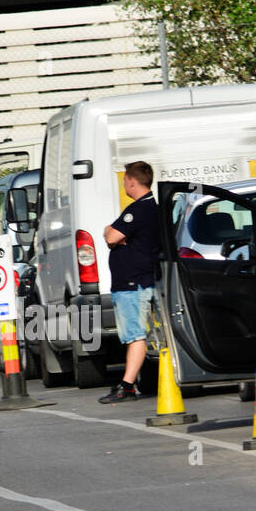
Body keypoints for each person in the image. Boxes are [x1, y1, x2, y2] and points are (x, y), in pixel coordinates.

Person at [98, 160, 161, 404]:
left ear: (132, 181)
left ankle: (127, 386)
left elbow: (112, 235)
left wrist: (109, 232)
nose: (124, 183)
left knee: (135, 336)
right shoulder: (152, 208)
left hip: (132, 284)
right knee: (138, 335)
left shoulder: (138, 209)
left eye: (125, 179)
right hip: (139, 282)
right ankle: (130, 382)